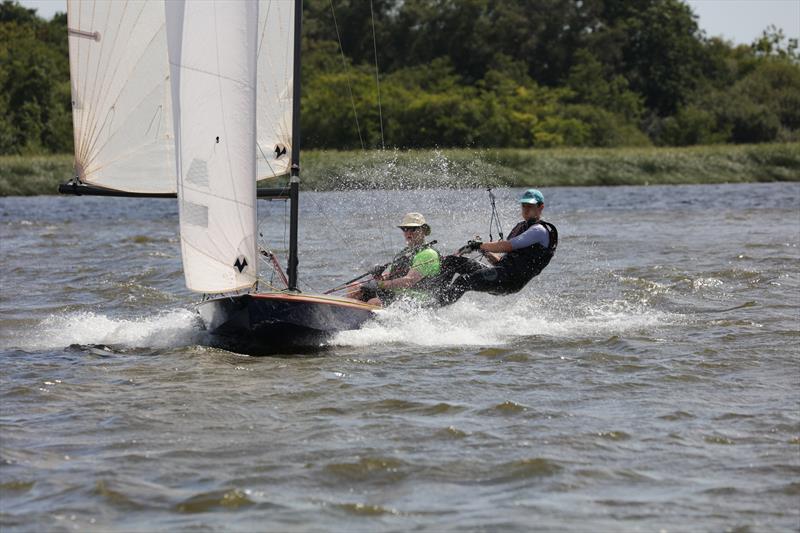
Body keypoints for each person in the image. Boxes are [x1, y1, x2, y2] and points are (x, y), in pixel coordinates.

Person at [435, 189, 557, 305]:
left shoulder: (539, 230)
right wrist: (483, 249)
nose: (526, 209)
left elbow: (507, 246)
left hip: (510, 281)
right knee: (452, 261)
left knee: (464, 280)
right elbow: (500, 261)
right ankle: (434, 296)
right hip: (500, 273)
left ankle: (431, 308)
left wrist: (478, 245)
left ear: (541, 207)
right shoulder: (521, 227)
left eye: (530, 206)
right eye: (524, 205)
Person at [351, 213, 441, 306]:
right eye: (405, 229)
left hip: (417, 301)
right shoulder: (406, 252)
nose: (408, 233)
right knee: (355, 288)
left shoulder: (428, 254)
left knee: (373, 303)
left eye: (413, 229)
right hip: (396, 294)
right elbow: (393, 276)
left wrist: (379, 284)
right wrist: (379, 277)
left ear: (423, 230)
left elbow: (408, 281)